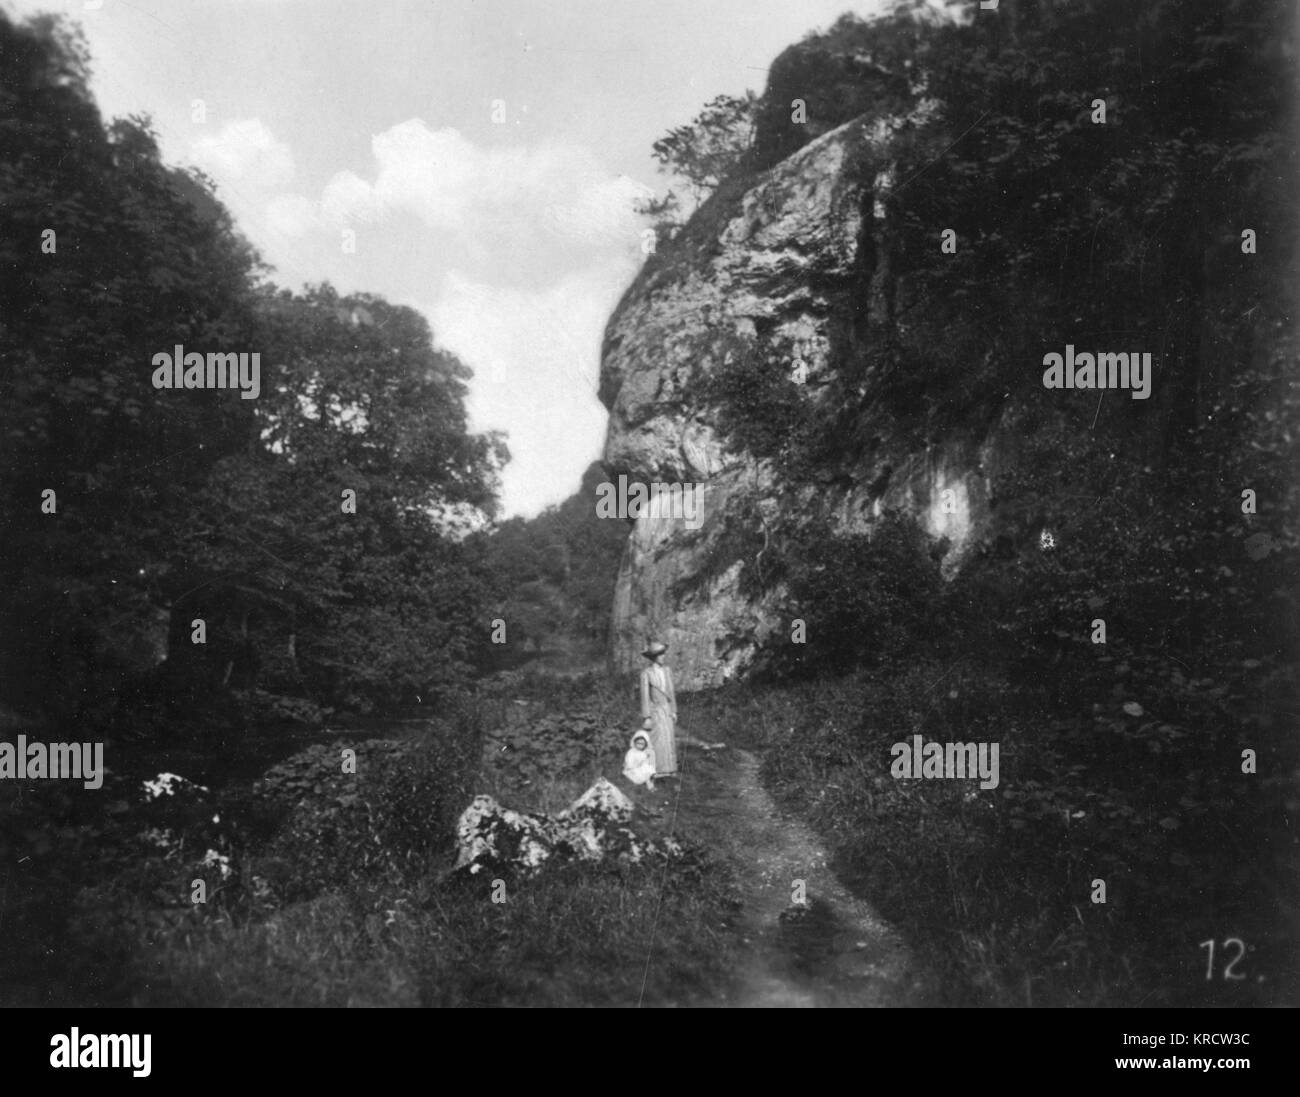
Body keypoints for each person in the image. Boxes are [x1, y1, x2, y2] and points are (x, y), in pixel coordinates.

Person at [639, 640, 677, 778]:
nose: (663, 657)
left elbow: (671, 692)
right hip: (656, 710)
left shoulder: (667, 671)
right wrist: (647, 716)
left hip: (666, 709)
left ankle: (671, 769)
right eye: (661, 655)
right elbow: (645, 696)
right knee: (658, 739)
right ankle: (657, 770)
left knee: (669, 739)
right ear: (654, 657)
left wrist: (673, 710)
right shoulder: (646, 673)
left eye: (663, 654)